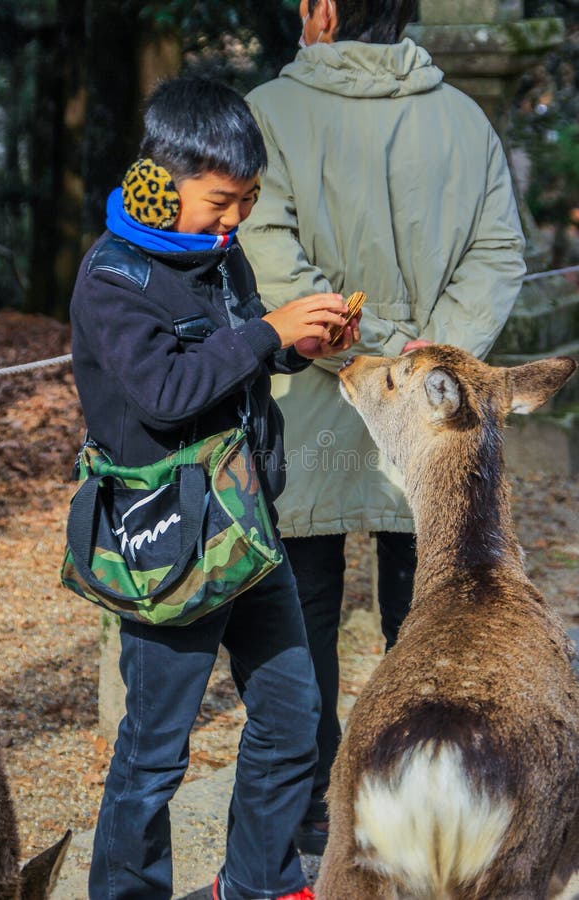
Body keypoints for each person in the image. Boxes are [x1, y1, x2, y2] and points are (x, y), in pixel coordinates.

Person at [239, 0, 526, 855]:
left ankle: (313, 809)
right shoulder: (462, 119)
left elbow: (263, 247)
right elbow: (498, 251)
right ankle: (427, 801)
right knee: (433, 604)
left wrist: (346, 345)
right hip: (431, 421)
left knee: (303, 611)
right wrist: (426, 363)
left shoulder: (270, 114)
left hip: (309, 395)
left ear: (322, 10)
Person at [69, 76, 360, 900]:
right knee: (156, 752)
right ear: (161, 179)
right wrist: (268, 330)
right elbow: (165, 392)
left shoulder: (220, 256)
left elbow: (244, 351)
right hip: (169, 542)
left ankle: (259, 883)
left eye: (250, 199)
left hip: (248, 525)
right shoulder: (113, 279)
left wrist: (298, 341)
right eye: (222, 200)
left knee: (293, 717)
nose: (236, 218)